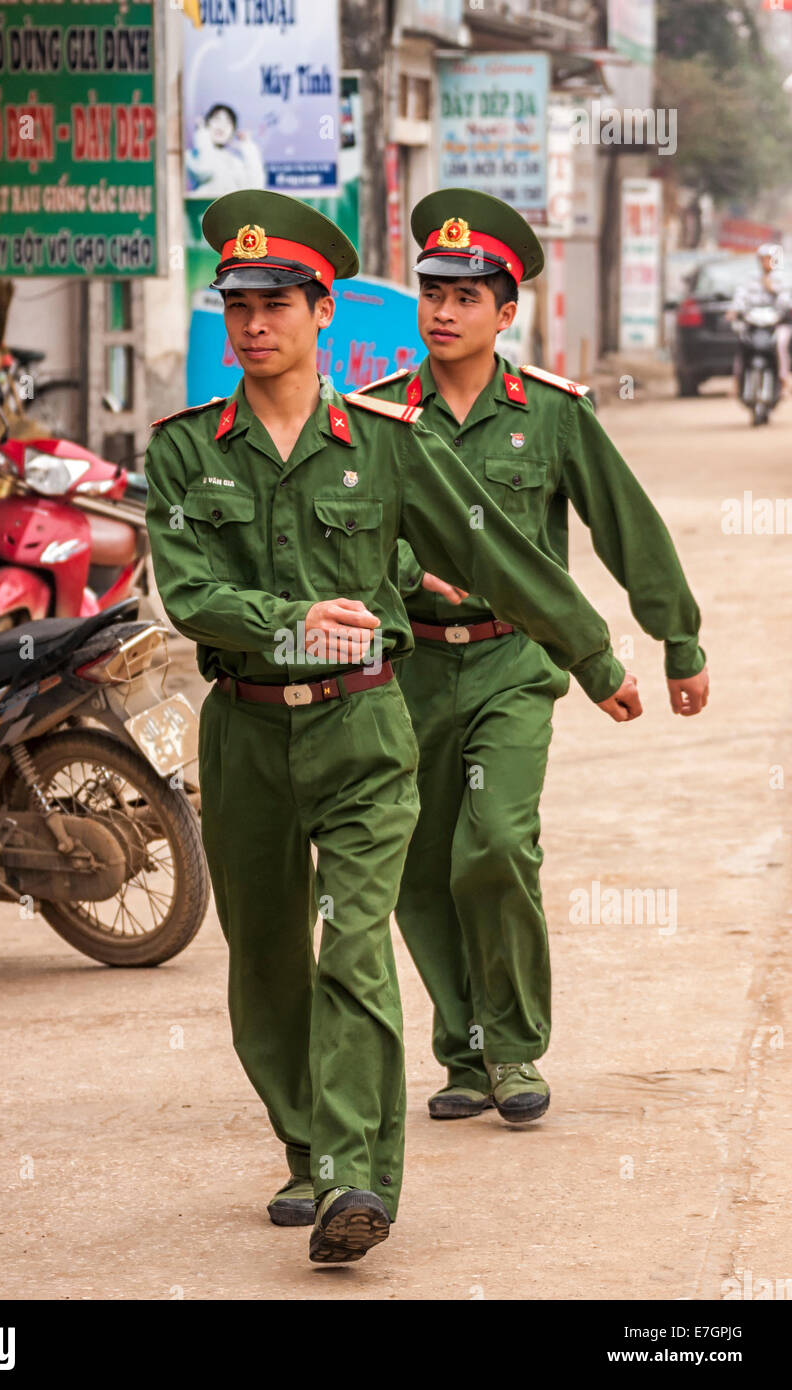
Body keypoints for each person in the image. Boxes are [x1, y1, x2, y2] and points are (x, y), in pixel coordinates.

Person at [143, 190, 641, 1265]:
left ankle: (357, 1179)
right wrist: (290, 622)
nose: (253, 323)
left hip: (366, 728)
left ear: (324, 311)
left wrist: (593, 654)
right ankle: (308, 1147)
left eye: (276, 302)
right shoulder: (185, 452)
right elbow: (188, 591)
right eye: (237, 304)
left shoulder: (386, 442)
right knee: (266, 960)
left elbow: (503, 554)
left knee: (353, 945)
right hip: (243, 733)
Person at [358, 188, 708, 1128]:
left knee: (497, 844)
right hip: (412, 670)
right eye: (432, 290)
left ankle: (513, 1049)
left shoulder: (549, 414)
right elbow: (350, 532)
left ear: (506, 313)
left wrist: (677, 638)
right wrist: (399, 570)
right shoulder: (381, 416)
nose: (442, 310)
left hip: (515, 664)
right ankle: (462, 1049)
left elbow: (623, 524)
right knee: (421, 865)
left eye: (467, 296)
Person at [728, 242, 792, 394]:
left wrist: (773, 289)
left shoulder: (782, 279)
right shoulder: (751, 278)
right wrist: (734, 310)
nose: (766, 262)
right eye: (763, 259)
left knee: (781, 345)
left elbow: (787, 301)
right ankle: (737, 380)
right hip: (754, 322)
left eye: (769, 259)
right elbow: (741, 295)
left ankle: (783, 378)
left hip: (776, 322)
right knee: (742, 343)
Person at [185, 104, 266, 198]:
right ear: (206, 124)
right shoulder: (191, 156)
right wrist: (202, 134)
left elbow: (255, 187)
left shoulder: (235, 162)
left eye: (228, 122)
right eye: (217, 119)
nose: (221, 126)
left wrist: (248, 147)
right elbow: (205, 171)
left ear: (233, 132)